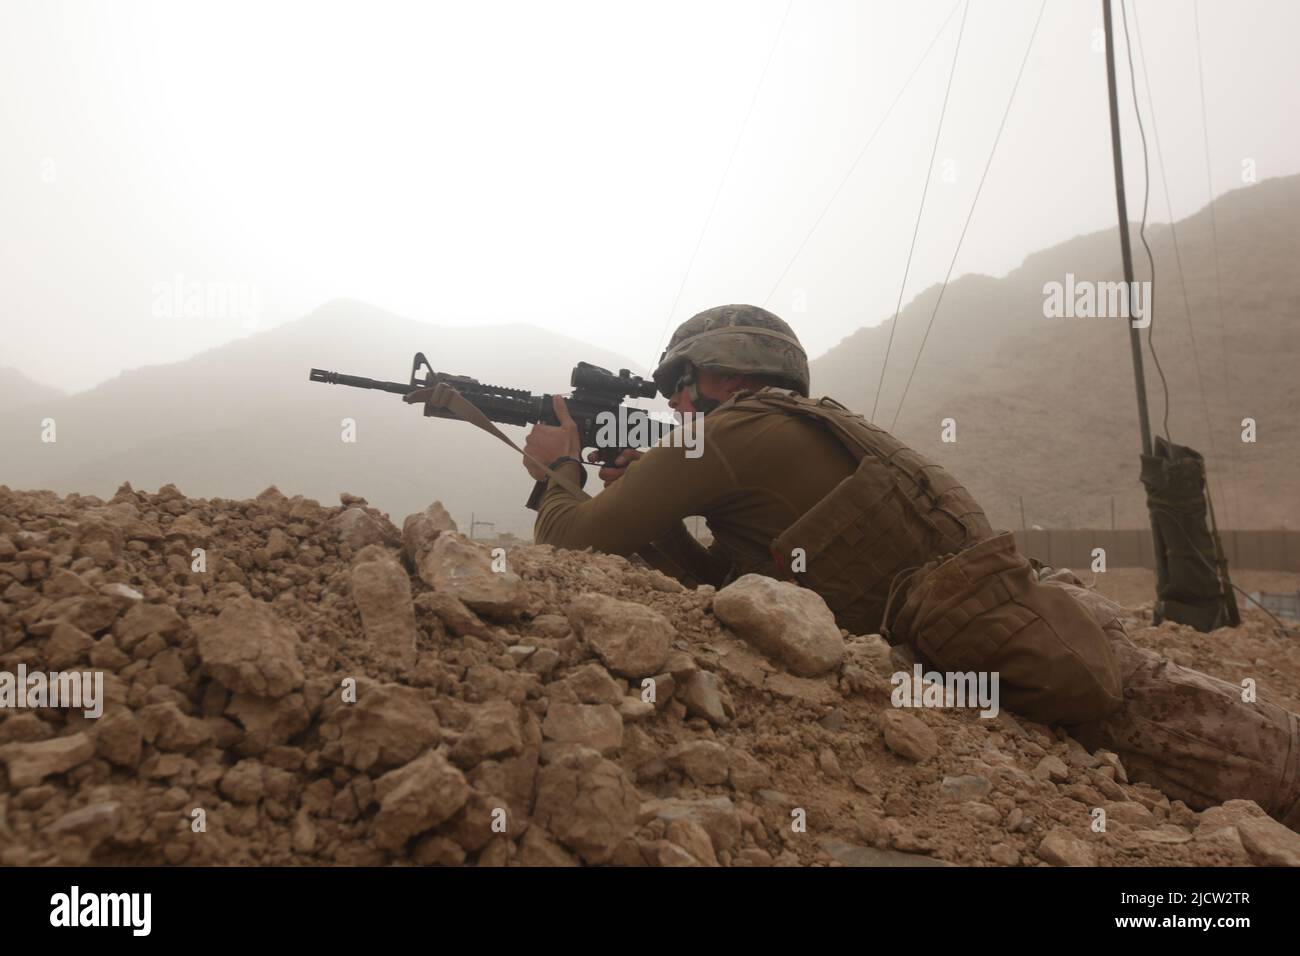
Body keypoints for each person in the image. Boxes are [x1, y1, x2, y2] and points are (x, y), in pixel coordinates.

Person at [522, 304, 1300, 831]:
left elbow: (571, 541)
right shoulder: (813, 427)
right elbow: (735, 592)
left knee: (1272, 779)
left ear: (722, 377)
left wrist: (557, 471)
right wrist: (646, 507)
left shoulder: (729, 431)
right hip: (1050, 633)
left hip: (1056, 667)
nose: (677, 407)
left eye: (680, 386)